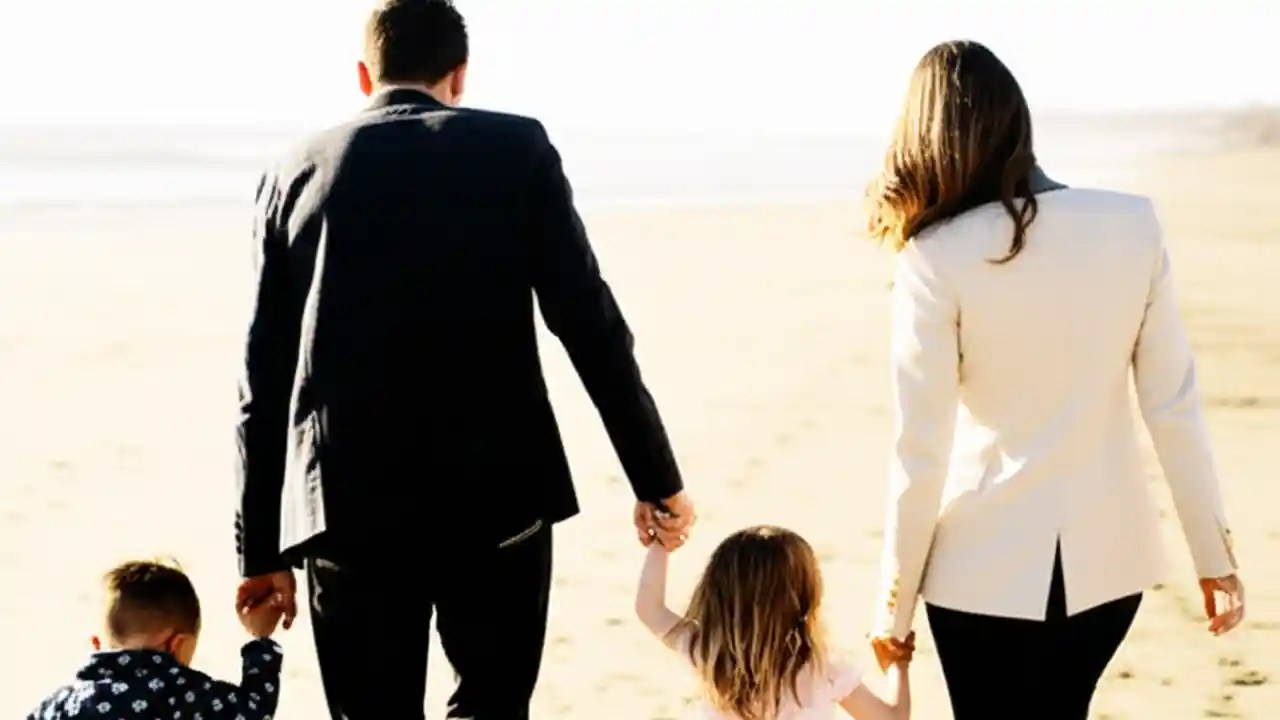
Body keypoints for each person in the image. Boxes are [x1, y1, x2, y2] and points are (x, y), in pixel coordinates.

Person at [232, 1, 695, 717]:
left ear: (365, 76)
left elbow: (261, 383)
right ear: (459, 75)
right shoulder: (516, 151)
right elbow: (590, 324)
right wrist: (655, 478)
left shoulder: (296, 171)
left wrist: (259, 552)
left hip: (347, 512)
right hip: (497, 498)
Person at [864, 40, 1245, 719]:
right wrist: (1213, 556)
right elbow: (1173, 406)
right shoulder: (1132, 225)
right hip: (1110, 566)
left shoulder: (935, 255)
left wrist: (891, 610)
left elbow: (919, 451)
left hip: (979, 574)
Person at [636, 526, 914, 720]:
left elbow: (649, 609)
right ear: (805, 594)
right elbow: (891, 718)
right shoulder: (821, 666)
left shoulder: (709, 652)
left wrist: (662, 541)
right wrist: (897, 663)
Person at [26, 559, 284, 720]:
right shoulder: (184, 692)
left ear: (97, 645)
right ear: (178, 646)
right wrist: (259, 639)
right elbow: (254, 711)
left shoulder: (62, 703)